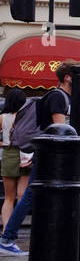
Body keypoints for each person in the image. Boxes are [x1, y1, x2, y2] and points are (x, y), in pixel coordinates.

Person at [0, 60, 78, 254]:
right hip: (52, 156)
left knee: (35, 196)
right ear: (67, 77)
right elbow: (61, 132)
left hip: (47, 155)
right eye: (78, 74)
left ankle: (14, 238)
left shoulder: (61, 97)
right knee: (29, 197)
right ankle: (7, 238)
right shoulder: (59, 98)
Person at [1, 90, 32, 233]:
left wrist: (4, 143)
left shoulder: (2, 117)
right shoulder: (27, 116)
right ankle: (15, 229)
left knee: (8, 197)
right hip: (26, 154)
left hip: (9, 153)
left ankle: (7, 229)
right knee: (22, 196)